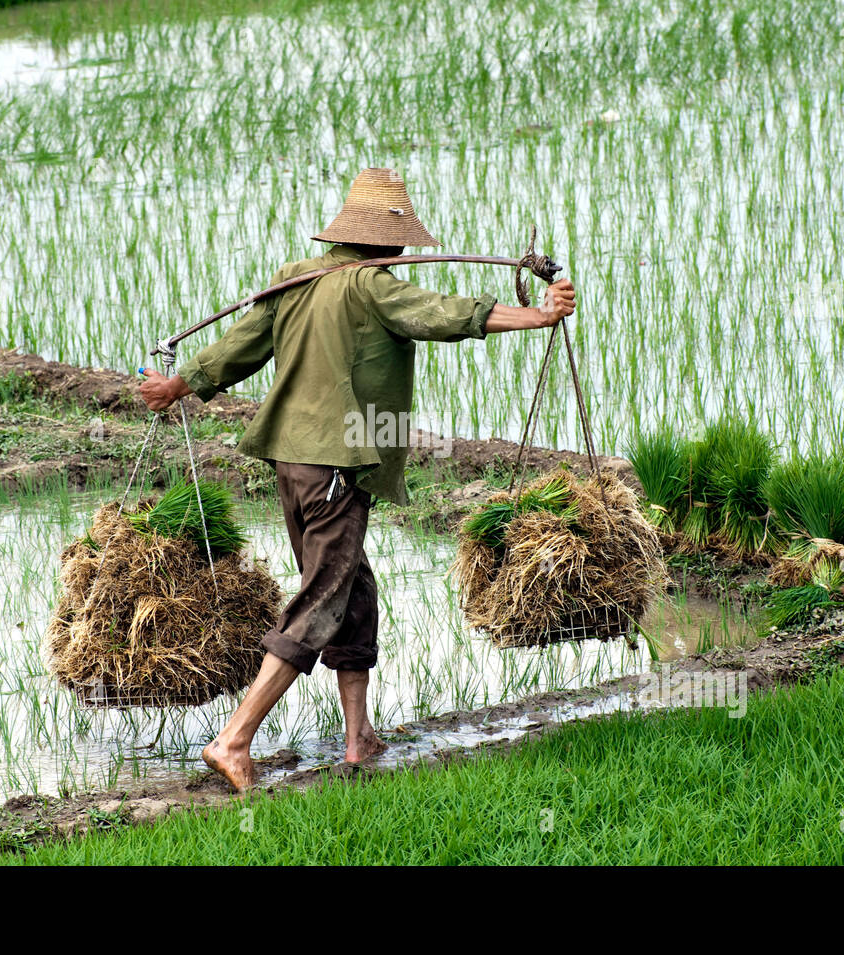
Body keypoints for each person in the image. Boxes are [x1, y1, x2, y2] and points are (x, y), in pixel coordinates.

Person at [140, 167, 577, 791]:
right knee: (322, 599)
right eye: (398, 242)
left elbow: (240, 345)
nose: (401, 252)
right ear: (388, 242)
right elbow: (439, 313)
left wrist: (180, 384)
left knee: (353, 592)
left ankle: (357, 736)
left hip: (293, 464)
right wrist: (534, 317)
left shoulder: (296, 281)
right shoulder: (373, 286)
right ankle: (234, 739)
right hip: (337, 466)